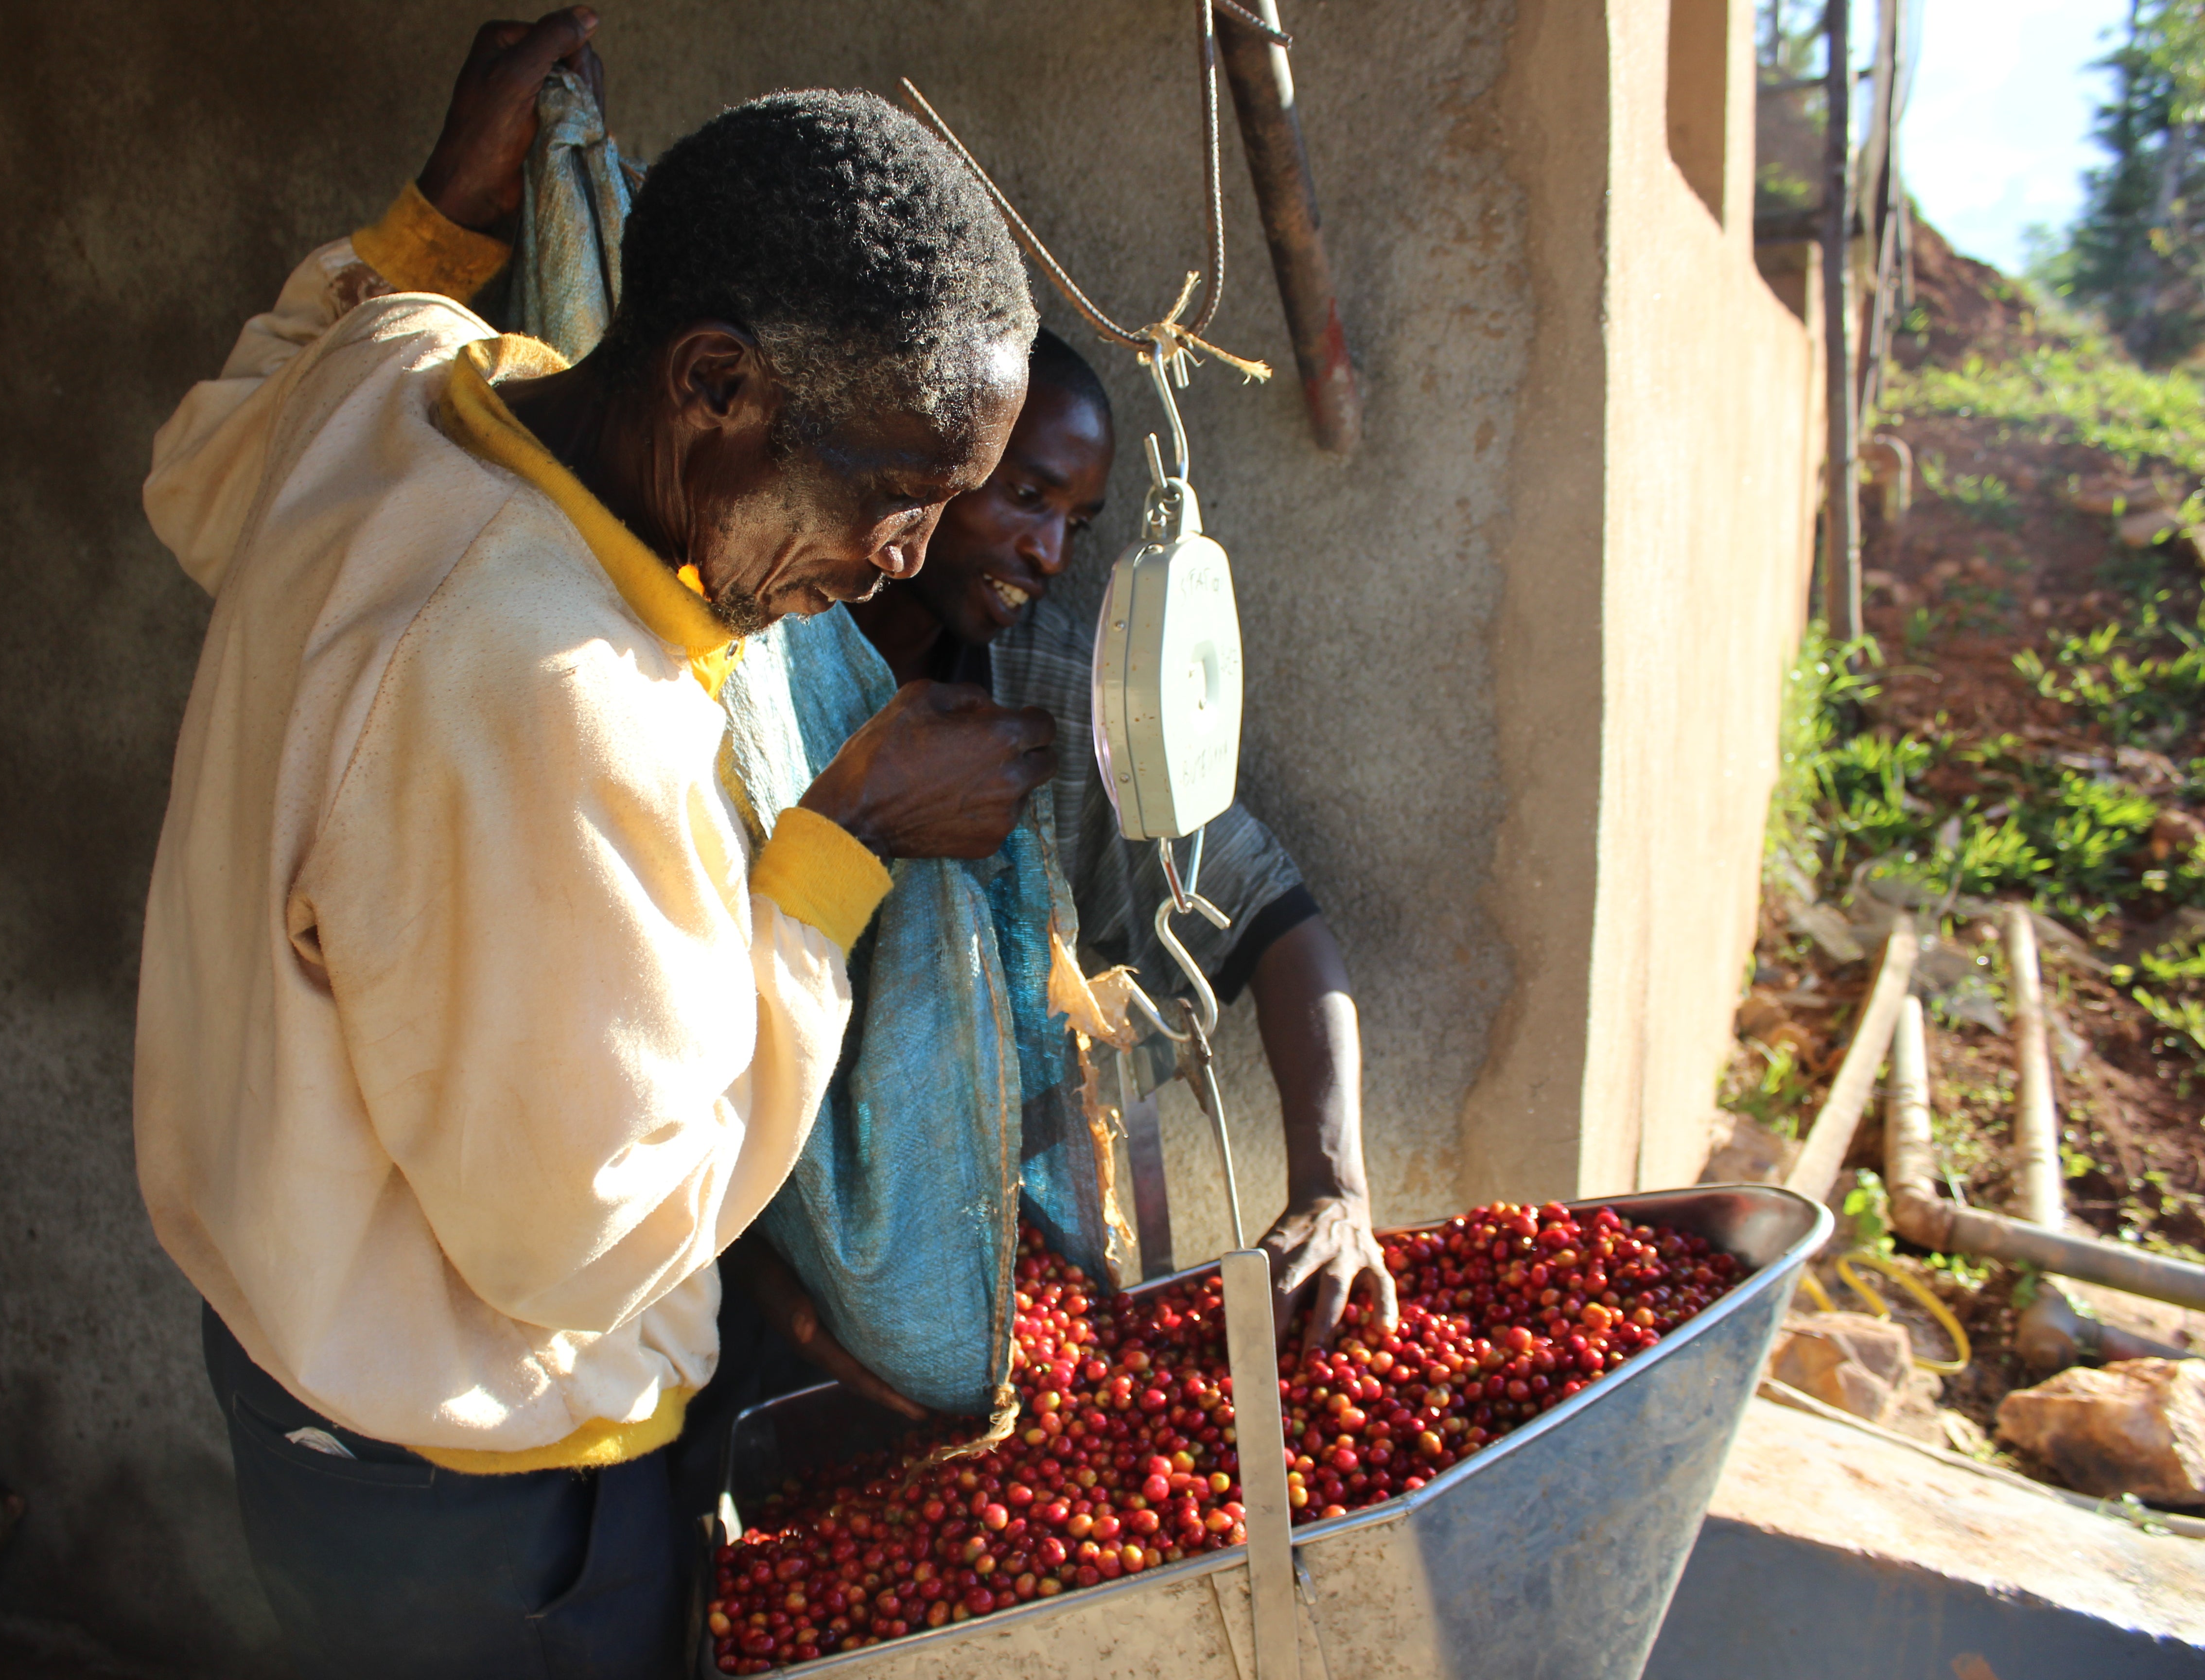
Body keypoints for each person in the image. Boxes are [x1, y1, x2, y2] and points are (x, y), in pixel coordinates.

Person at [131, 13, 1052, 1678]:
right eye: (893, 495)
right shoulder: (556, 706)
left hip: (301, 1378)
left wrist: (436, 218)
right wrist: (838, 847)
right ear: (714, 385)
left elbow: (200, 465)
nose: (906, 553)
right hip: (486, 1509)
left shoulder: (413, 375)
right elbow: (586, 1241)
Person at [846, 330, 1401, 1344]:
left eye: (1077, 520)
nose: (1052, 555)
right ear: (931, 464)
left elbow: (1275, 914)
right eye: (1027, 499)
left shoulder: (1054, 691)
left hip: (953, 1277)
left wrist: (1334, 1189)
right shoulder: (766, 653)